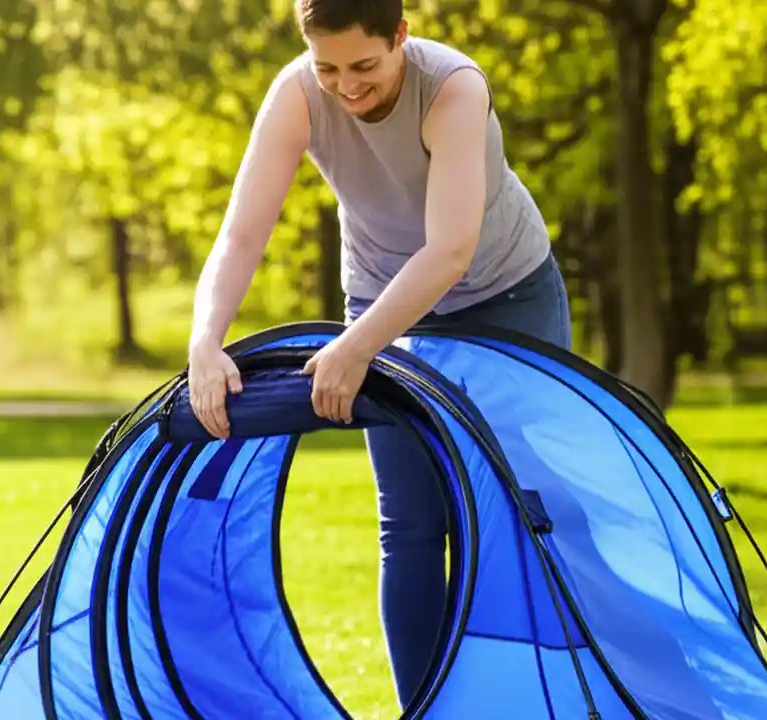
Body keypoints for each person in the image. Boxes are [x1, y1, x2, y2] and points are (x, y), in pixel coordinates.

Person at [186, 0, 572, 709]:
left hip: (504, 296)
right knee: (412, 527)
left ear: (401, 35)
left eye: (364, 65)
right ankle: (423, 709)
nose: (347, 85)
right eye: (328, 67)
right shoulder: (298, 92)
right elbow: (242, 234)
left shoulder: (452, 87)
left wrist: (356, 347)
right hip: (381, 298)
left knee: (530, 513)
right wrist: (205, 340)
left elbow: (450, 249)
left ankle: (548, 698)